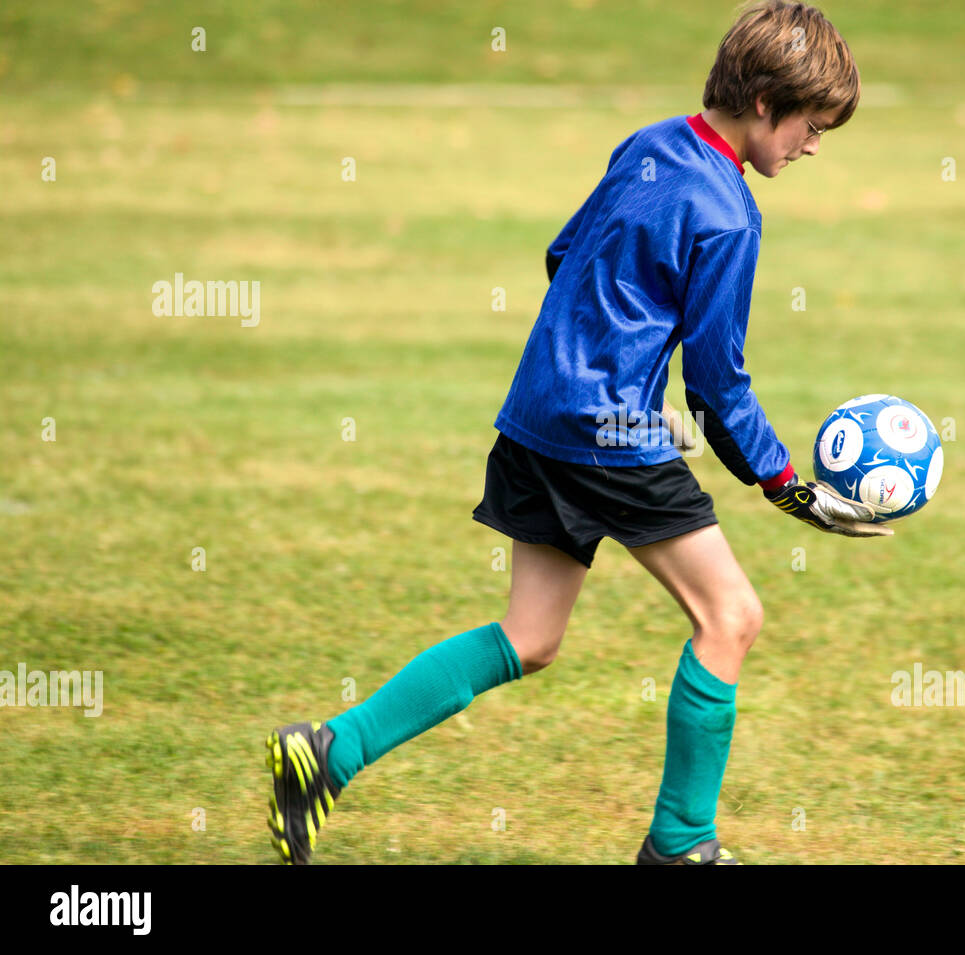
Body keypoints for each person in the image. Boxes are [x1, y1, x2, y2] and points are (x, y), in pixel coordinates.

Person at [264, 0, 890, 866]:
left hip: (535, 414)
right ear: (762, 103)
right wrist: (787, 483)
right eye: (812, 126)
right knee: (731, 615)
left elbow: (564, 255)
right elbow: (715, 382)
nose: (814, 145)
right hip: (610, 430)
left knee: (531, 635)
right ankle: (680, 843)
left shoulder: (645, 143)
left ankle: (326, 751)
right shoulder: (730, 213)